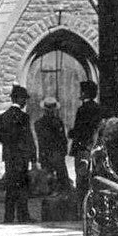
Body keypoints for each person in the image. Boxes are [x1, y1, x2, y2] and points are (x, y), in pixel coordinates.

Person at [0, 85, 37, 224]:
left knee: (10, 186)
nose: (25, 101)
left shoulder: (3, 117)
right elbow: (28, 137)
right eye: (24, 99)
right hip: (21, 156)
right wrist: (33, 157)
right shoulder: (23, 117)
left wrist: (10, 145)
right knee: (22, 187)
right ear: (19, 99)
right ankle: (23, 216)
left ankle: (8, 217)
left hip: (9, 156)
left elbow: (0, 137)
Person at [70, 81, 104, 212]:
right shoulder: (97, 108)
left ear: (84, 93)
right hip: (91, 147)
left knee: (82, 178)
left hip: (84, 149)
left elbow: (86, 131)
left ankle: (83, 210)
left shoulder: (83, 109)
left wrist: (72, 134)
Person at [34, 97, 71, 193]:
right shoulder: (58, 122)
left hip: (46, 154)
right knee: (62, 181)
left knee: (48, 181)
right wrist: (63, 152)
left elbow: (41, 141)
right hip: (56, 154)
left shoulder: (38, 123)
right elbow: (63, 140)